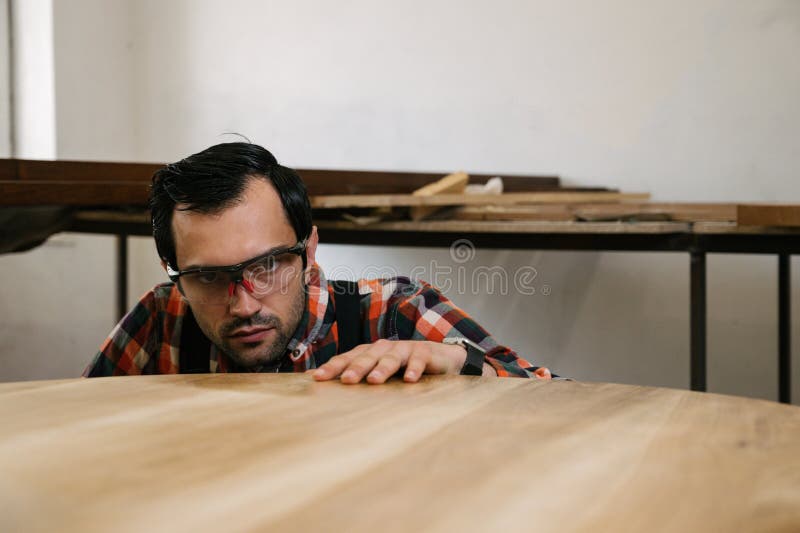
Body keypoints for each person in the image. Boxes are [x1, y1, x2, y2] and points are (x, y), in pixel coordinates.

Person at [84, 142, 552, 384]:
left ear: (308, 252)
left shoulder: (395, 312)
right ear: (174, 270)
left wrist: (457, 361)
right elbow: (78, 432)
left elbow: (553, 398)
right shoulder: (162, 317)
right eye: (208, 276)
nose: (244, 305)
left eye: (267, 265)